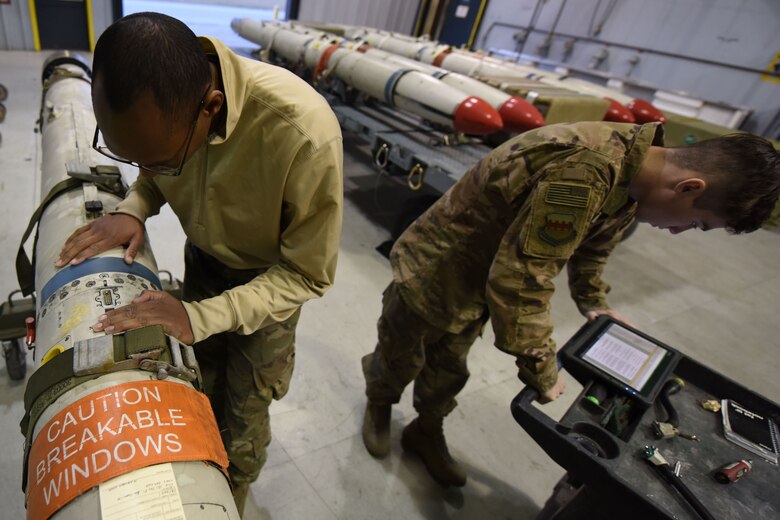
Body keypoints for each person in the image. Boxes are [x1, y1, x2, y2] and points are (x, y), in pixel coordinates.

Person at [361, 121, 780, 487]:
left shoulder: (635, 171)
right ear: (689, 187)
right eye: (696, 222)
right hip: (437, 267)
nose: (679, 232)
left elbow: (595, 242)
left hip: (479, 278)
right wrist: (540, 364)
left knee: (449, 365)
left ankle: (425, 428)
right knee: (400, 353)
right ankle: (380, 405)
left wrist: (591, 300)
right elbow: (521, 278)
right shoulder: (586, 169)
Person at [54, 12, 343, 515]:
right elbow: (151, 169)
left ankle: (235, 493)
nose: (153, 168)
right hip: (204, 264)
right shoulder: (164, 106)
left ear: (210, 108)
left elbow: (307, 274)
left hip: (268, 284)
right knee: (196, 384)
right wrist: (135, 205)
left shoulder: (303, 134)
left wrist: (199, 316)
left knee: (245, 408)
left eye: (163, 160)